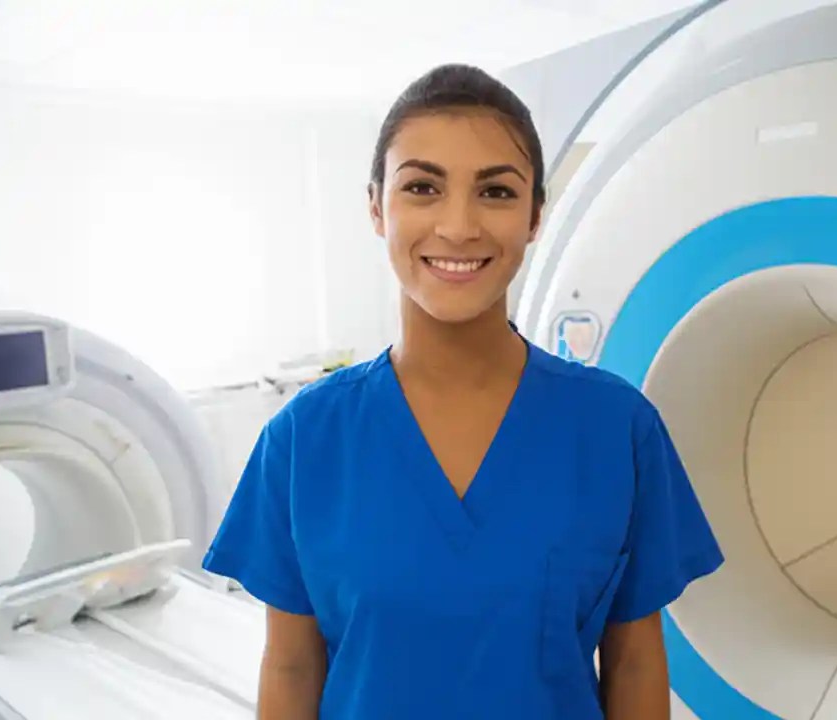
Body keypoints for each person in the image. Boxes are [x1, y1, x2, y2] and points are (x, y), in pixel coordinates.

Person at [202, 63, 724, 720]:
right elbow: (291, 664)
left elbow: (635, 662)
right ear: (375, 207)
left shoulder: (617, 429)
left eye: (496, 193)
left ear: (536, 215)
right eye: (422, 187)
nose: (458, 227)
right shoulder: (305, 439)